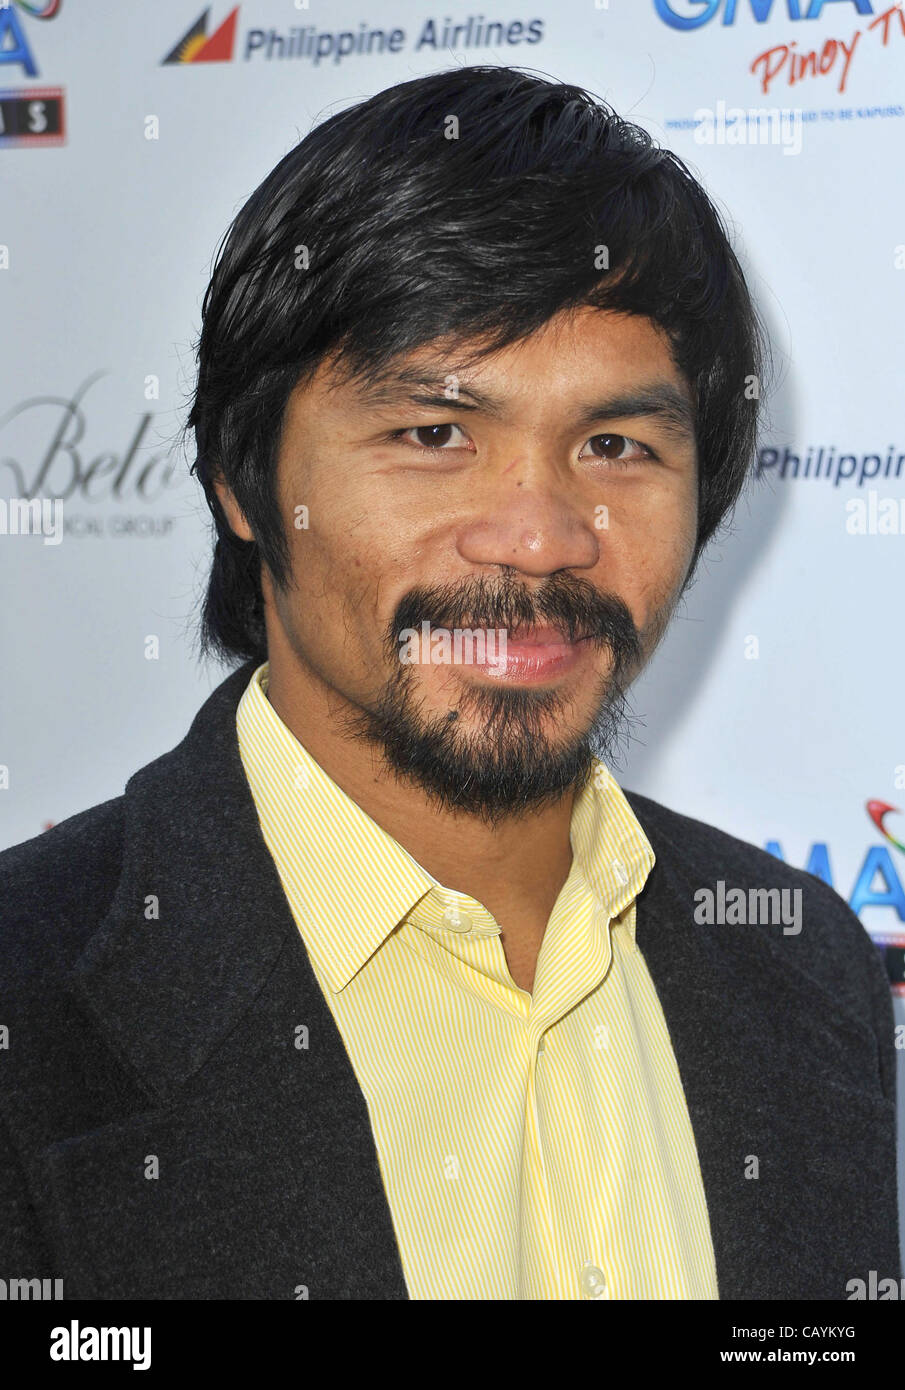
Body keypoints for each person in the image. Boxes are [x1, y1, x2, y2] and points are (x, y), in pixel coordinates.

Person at [0, 66, 898, 1301]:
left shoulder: (801, 963)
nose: (538, 536)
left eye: (615, 446)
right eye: (433, 435)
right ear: (240, 475)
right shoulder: (27, 998)